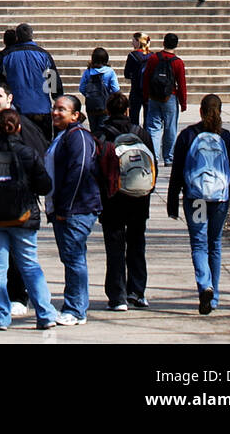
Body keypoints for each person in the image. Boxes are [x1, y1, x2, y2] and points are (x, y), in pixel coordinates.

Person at [0, 109, 59, 330]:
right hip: (23, 216)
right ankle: (44, 313)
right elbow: (45, 186)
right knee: (30, 264)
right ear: (19, 128)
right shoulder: (28, 153)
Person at [167, 93, 230, 313]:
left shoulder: (188, 135)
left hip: (196, 199)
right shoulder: (226, 137)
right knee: (215, 244)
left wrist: (172, 201)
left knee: (199, 243)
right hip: (219, 199)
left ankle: (205, 284)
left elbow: (177, 172)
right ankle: (214, 297)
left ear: (201, 111)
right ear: (220, 111)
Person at [92, 92, 155, 311]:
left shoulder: (101, 134)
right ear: (128, 110)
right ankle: (137, 292)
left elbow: (95, 168)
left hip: (112, 199)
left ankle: (117, 296)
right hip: (139, 198)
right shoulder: (141, 133)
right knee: (137, 245)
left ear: (107, 111)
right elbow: (152, 165)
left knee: (115, 248)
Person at [45, 95, 102, 325]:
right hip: (66, 208)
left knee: (74, 258)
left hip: (76, 209)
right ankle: (76, 304)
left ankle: (76, 309)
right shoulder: (63, 135)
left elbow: (80, 170)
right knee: (71, 258)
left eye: (62, 109)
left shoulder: (77, 136)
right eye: (55, 108)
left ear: (75, 115)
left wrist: (65, 207)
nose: (56, 112)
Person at [1, 23, 63, 140]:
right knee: (44, 143)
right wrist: (57, 97)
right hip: (42, 108)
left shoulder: (8, 56)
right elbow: (53, 79)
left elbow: (1, 79)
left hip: (19, 109)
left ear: (17, 37)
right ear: (32, 35)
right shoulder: (43, 54)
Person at [143, 32, 187, 166]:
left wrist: (146, 96)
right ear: (176, 45)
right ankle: (168, 158)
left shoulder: (154, 58)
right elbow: (181, 84)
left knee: (153, 127)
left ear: (163, 43)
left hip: (154, 97)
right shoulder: (178, 62)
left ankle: (154, 157)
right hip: (170, 97)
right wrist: (183, 102)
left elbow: (146, 78)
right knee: (170, 128)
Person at [78, 46, 120, 136]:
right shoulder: (110, 72)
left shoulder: (88, 72)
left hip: (91, 107)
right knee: (103, 131)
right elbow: (116, 89)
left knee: (93, 130)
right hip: (105, 106)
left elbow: (81, 88)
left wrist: (89, 94)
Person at [123, 32, 151, 127]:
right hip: (149, 91)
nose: (132, 43)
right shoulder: (152, 55)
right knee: (148, 118)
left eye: (133, 40)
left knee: (134, 118)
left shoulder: (132, 55)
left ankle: (135, 136)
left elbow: (126, 74)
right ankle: (147, 138)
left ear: (138, 42)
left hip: (135, 90)